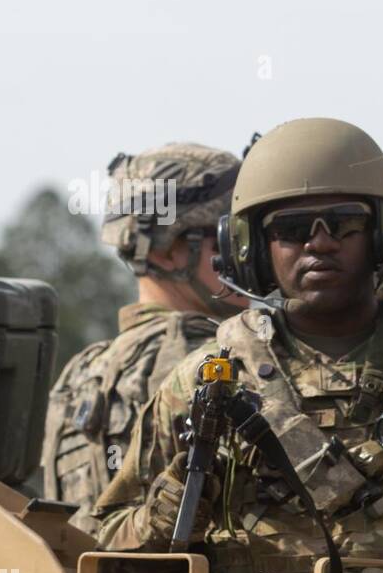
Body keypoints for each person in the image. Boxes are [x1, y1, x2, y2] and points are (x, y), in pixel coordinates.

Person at [92, 118, 383, 573]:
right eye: (292, 231)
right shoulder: (208, 381)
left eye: (342, 224)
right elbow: (113, 570)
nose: (320, 244)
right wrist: (180, 500)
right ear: (248, 249)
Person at [41, 143, 245, 536]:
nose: (249, 251)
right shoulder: (209, 360)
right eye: (229, 234)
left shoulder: (81, 369)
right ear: (169, 251)